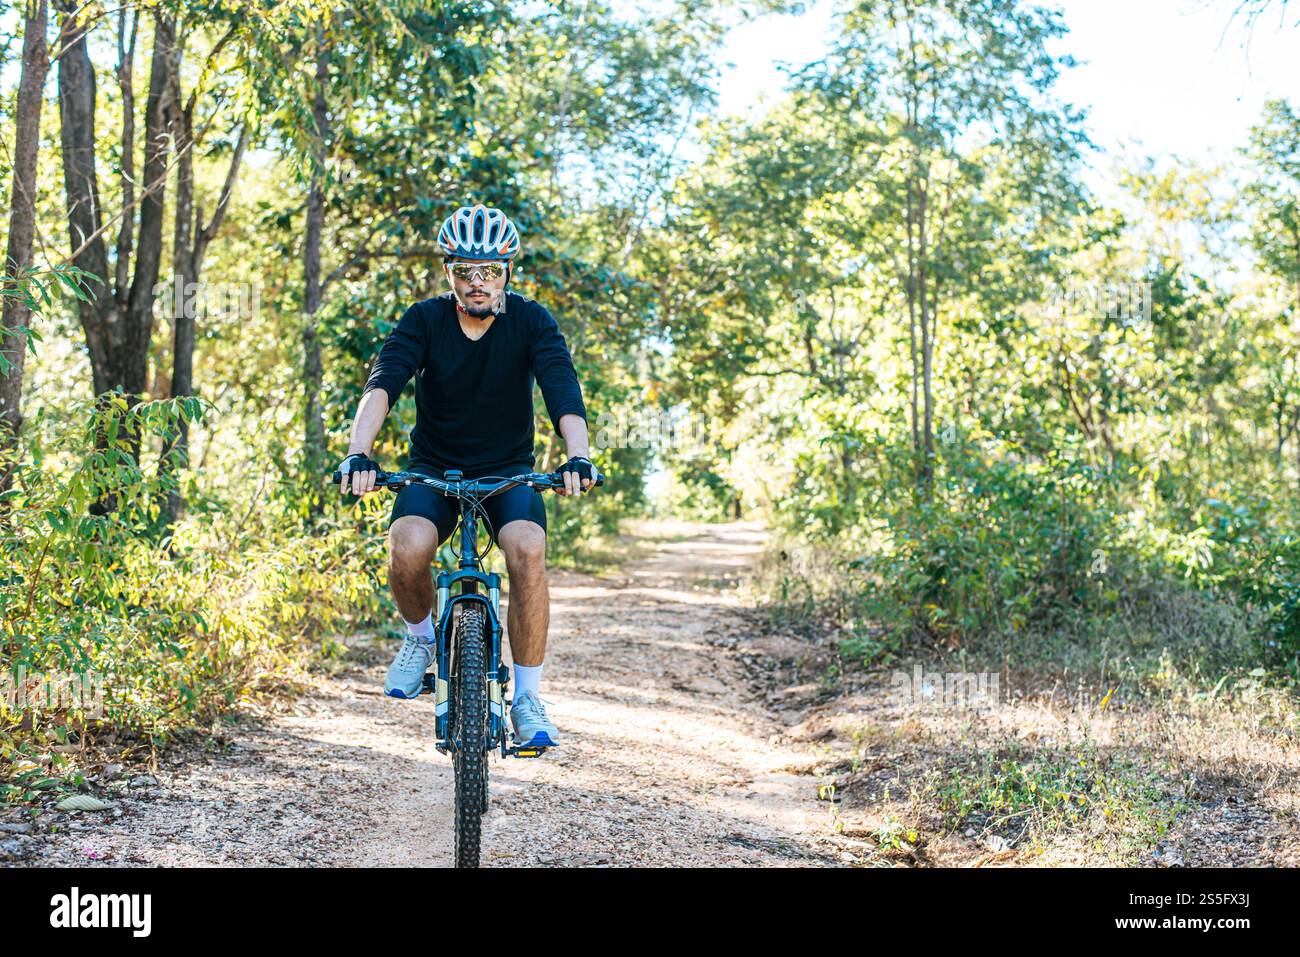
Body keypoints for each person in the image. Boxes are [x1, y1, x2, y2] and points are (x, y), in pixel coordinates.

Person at [335, 203, 597, 748]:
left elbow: (561, 387)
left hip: (508, 474)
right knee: (407, 547)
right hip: (434, 469)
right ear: (449, 272)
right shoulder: (424, 320)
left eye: (490, 272)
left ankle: (527, 698)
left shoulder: (531, 321)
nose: (477, 283)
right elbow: (383, 383)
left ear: (506, 273)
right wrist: (359, 453)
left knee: (527, 548)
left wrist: (577, 456)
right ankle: (420, 639)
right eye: (464, 272)